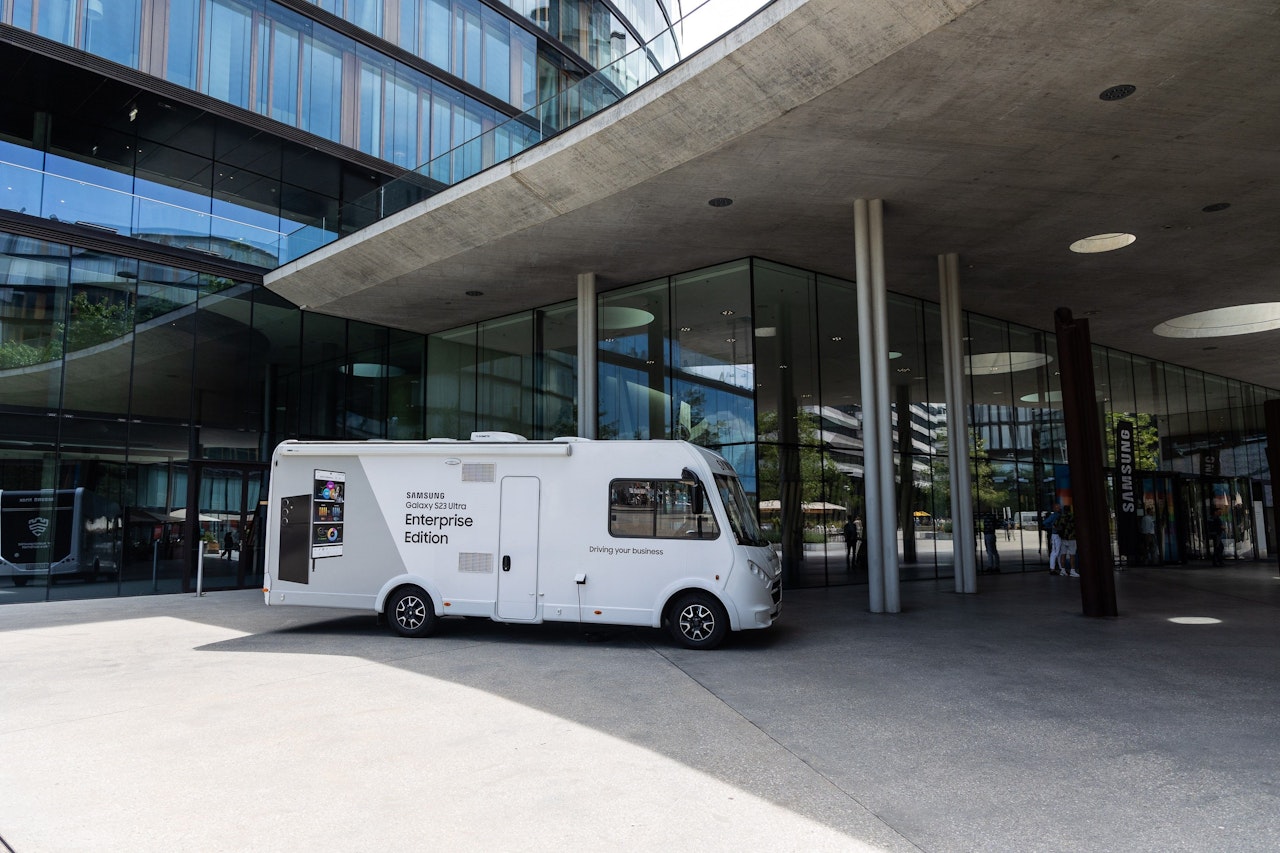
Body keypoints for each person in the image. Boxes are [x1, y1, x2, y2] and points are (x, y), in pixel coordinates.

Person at [1056, 505, 1078, 577]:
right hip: (1071, 538)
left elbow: (1055, 525)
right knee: (1072, 555)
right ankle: (1072, 571)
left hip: (1063, 538)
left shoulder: (1061, 517)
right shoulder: (1072, 516)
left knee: (1063, 554)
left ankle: (1062, 570)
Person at [1043, 503, 1063, 574]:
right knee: (1056, 552)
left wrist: (1050, 527)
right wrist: (1052, 527)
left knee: (1057, 552)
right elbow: (1045, 522)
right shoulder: (1056, 515)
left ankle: (1059, 568)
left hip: (1056, 535)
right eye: (1057, 507)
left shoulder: (1055, 515)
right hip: (1056, 535)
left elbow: (1045, 522)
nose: (1059, 508)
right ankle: (1054, 568)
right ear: (1054, 509)